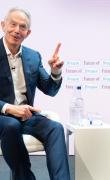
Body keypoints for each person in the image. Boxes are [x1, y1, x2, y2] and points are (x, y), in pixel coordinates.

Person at [0, 7, 70, 180]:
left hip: (26, 116)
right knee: (11, 125)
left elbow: (50, 89)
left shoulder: (33, 56)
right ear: (3, 25)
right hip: (2, 117)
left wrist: (55, 72)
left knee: (55, 128)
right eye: (13, 24)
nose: (17, 30)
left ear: (28, 33)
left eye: (22, 27)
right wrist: (9, 108)